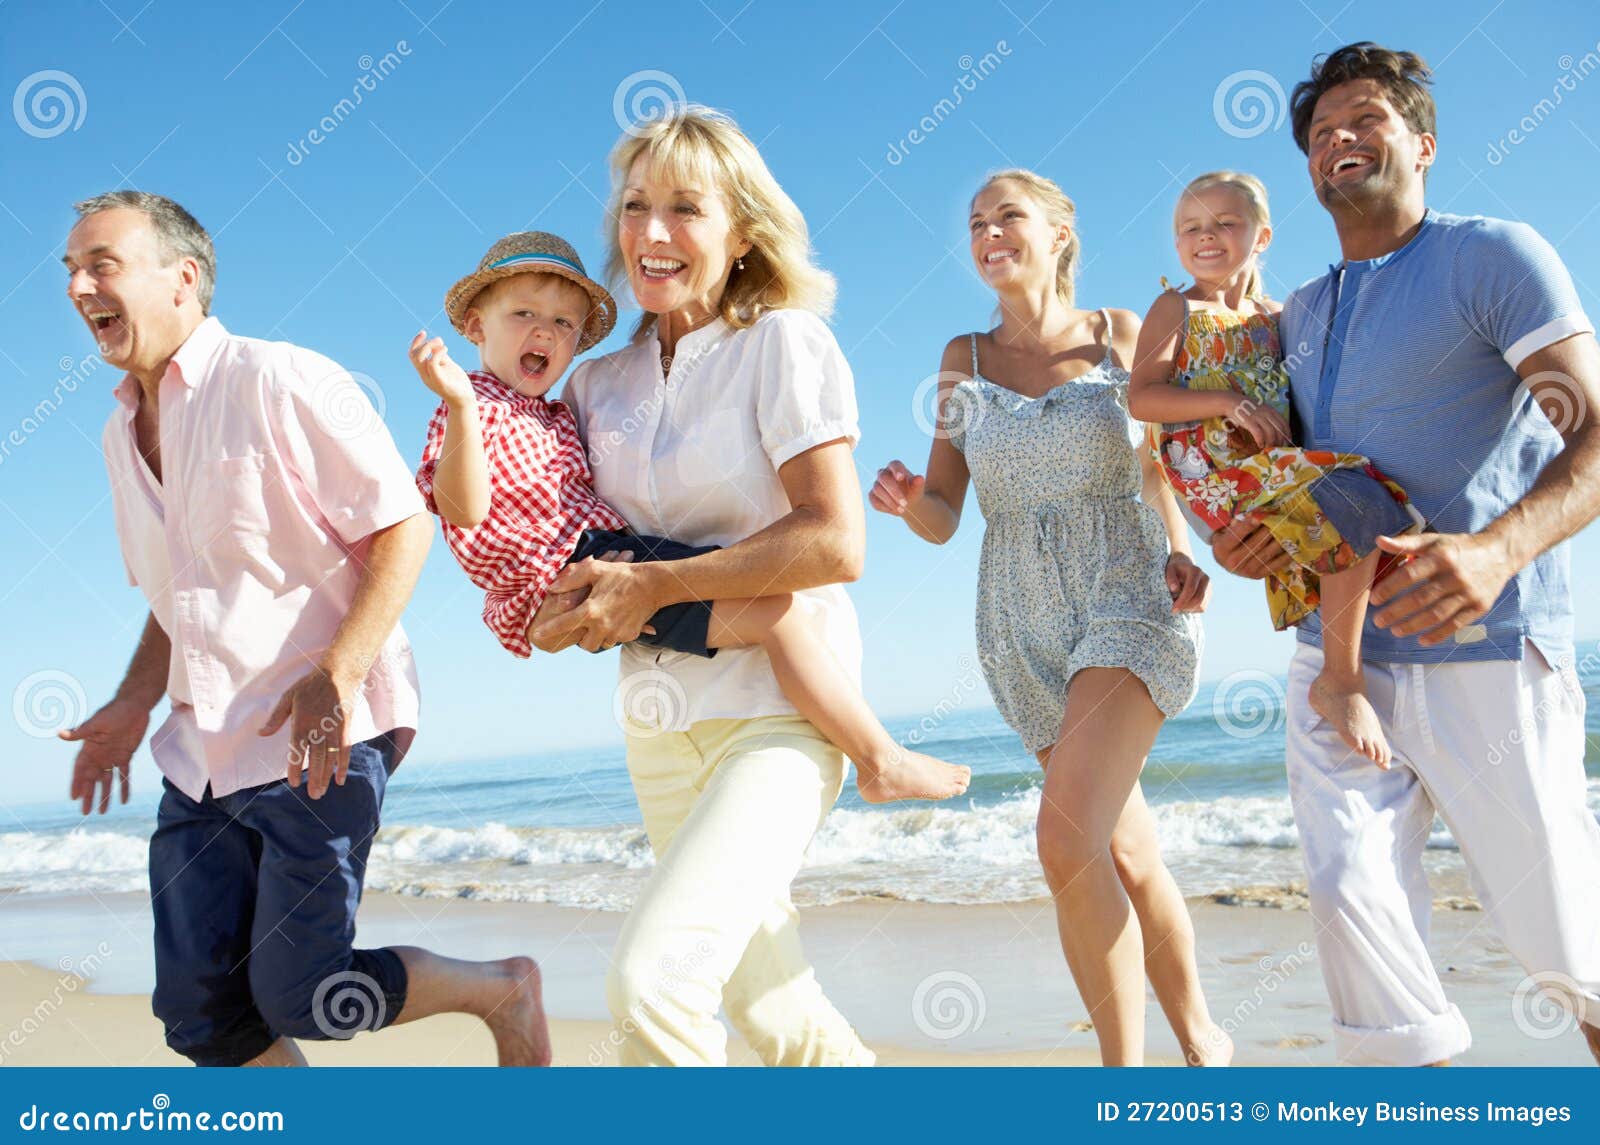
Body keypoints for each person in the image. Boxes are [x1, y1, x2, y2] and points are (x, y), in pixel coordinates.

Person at [58, 191, 550, 1067]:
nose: (79, 285)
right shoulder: (115, 430)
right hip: (199, 757)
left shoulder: (280, 377)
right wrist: (133, 703)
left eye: (102, 263)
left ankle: (502, 987)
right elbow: (181, 599)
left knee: (307, 994)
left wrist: (340, 670)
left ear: (185, 279)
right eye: (70, 269)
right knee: (204, 1017)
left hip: (317, 736)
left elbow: (405, 524)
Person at [1209, 42, 1600, 1065]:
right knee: (1351, 906)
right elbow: (1302, 488)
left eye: (1366, 117)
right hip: (1335, 666)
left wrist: (1493, 551)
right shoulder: (1296, 316)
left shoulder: (1491, 257)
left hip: (1485, 642)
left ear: (1421, 143)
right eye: (1321, 128)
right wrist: (1251, 545)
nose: (1340, 135)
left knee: (1567, 946)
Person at [522, 108, 877, 1065]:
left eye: (686, 207)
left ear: (743, 234)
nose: (651, 231)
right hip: (656, 723)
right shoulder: (596, 386)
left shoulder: (783, 345)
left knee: (652, 984)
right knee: (775, 1014)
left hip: (781, 713)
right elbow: (574, 547)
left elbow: (835, 540)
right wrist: (560, 610)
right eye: (636, 207)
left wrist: (653, 585)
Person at [870, 169, 1230, 1065]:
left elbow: (1159, 461)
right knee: (1124, 851)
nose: (990, 233)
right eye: (976, 222)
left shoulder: (1119, 332)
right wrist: (908, 500)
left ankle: (1122, 1084)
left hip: (1130, 587)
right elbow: (947, 513)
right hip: (1022, 620)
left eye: (1009, 216)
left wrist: (1183, 548)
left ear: (1060, 230)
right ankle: (1205, 1042)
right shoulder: (965, 356)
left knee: (1063, 840)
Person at [410, 231, 969, 804]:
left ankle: (872, 756)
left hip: (600, 559)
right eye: (523, 313)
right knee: (777, 616)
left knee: (775, 615)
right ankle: (880, 760)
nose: (543, 331)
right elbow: (464, 510)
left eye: (563, 324)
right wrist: (457, 405)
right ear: (476, 326)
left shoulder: (556, 411)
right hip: (579, 563)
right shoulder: (469, 407)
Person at [1129, 170, 1423, 768]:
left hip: (1265, 466)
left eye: (1224, 223)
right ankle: (1340, 680)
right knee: (1360, 500)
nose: (1205, 236)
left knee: (1379, 528)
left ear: (1261, 236)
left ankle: (1361, 672)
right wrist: (1226, 402)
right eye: (1190, 228)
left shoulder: (1277, 314)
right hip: (1211, 466)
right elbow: (1143, 397)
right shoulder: (1175, 307)